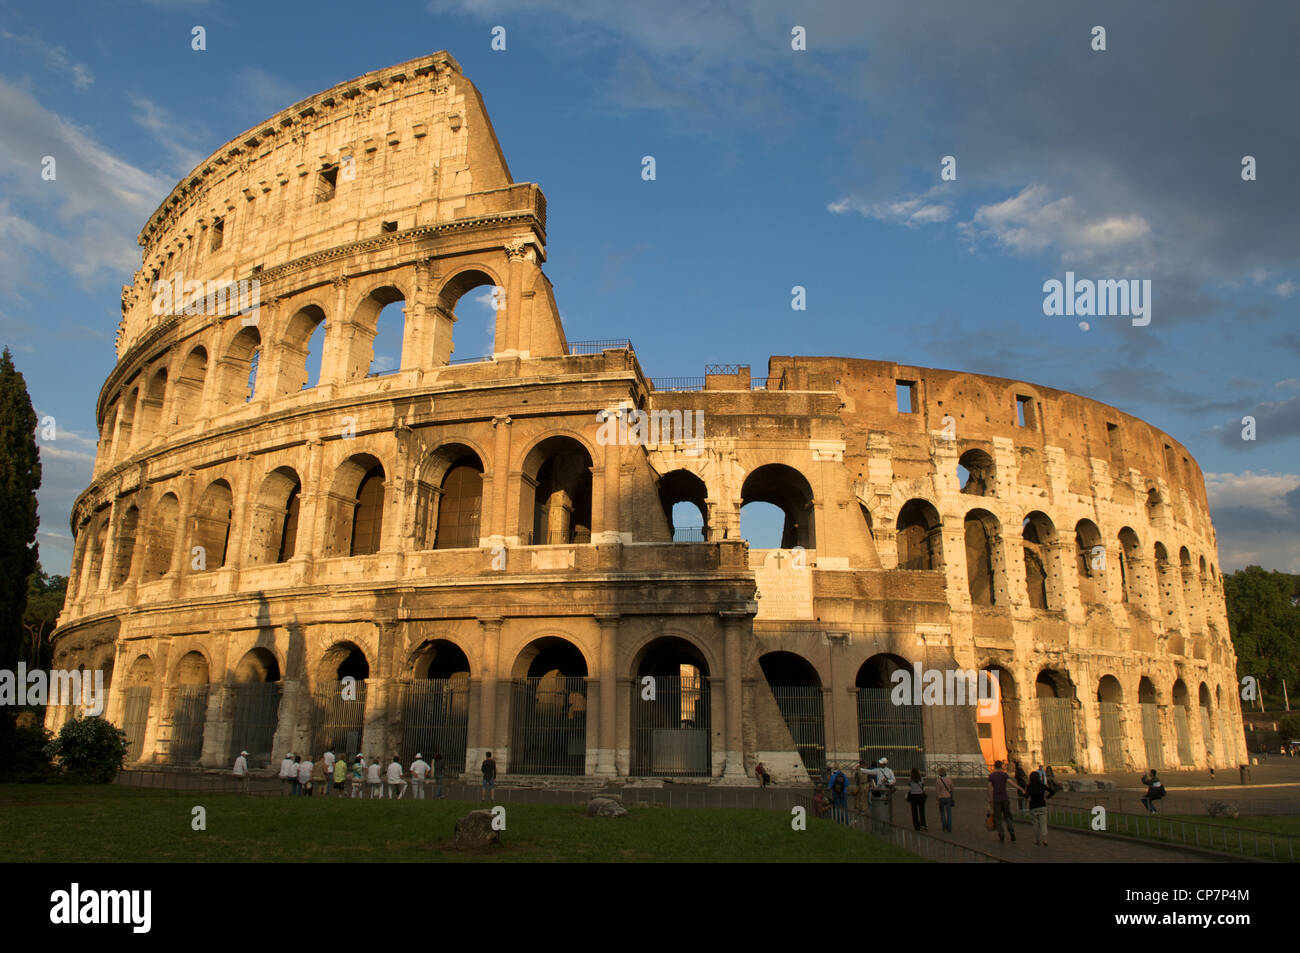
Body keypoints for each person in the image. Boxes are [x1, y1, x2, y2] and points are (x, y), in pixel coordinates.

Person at [987, 759, 1020, 842]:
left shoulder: (992, 776)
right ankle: (1011, 829)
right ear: (1001, 766)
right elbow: (1011, 783)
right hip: (1005, 798)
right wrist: (1020, 788)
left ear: (994, 766)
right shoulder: (1004, 775)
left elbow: (990, 788)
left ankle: (1001, 834)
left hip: (996, 799)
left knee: (998, 818)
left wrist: (990, 799)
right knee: (1008, 816)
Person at [1025, 764, 1055, 845]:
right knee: (1043, 824)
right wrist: (1047, 797)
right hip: (1042, 805)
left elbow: (1026, 796)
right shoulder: (1042, 785)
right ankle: (1045, 839)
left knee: (1035, 825)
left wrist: (1023, 793)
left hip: (1033, 807)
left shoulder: (1029, 786)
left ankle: (1037, 840)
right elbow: (1052, 791)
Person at [935, 766, 955, 832]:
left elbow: (937, 791)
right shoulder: (949, 779)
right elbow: (952, 789)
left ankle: (944, 826)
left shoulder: (938, 781)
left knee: (942, 813)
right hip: (948, 797)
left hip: (941, 798)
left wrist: (937, 800)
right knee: (949, 813)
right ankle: (949, 827)